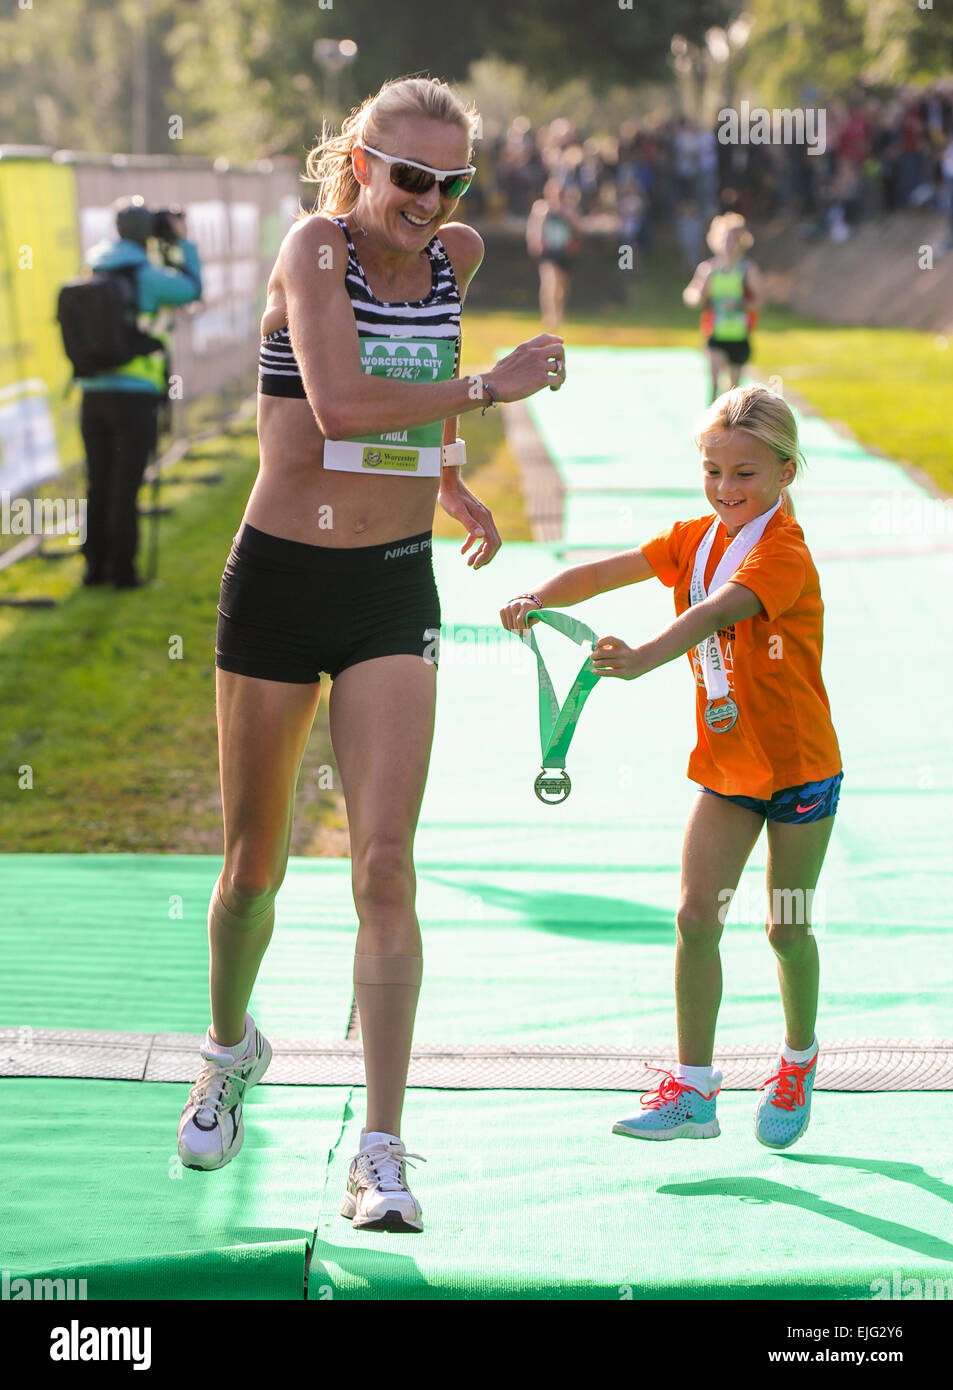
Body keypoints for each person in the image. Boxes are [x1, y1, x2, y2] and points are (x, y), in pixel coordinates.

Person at [176, 76, 565, 1232]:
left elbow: (411, 380)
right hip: (282, 583)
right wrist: (492, 389)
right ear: (358, 160)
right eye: (407, 174)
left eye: (449, 179)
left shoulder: (457, 254)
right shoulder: (313, 246)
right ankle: (227, 1050)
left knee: (384, 863)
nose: (428, 196)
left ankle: (382, 1151)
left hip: (392, 590)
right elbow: (341, 404)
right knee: (255, 865)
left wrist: (449, 478)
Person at [501, 386, 842, 1150]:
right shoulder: (693, 535)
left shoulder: (782, 552)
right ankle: (694, 1090)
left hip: (797, 771)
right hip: (726, 770)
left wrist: (644, 657)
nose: (725, 489)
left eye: (745, 474)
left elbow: (715, 613)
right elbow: (603, 573)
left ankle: (797, 1059)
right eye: (713, 471)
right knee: (695, 917)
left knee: (784, 928)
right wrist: (535, 596)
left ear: (786, 473)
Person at [76, 197, 202, 588]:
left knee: (98, 483)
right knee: (126, 486)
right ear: (147, 232)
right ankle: (123, 574)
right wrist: (182, 244)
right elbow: (191, 289)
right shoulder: (146, 275)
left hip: (92, 393)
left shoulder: (93, 267)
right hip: (134, 396)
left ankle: (93, 570)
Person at [683, 212, 762, 405]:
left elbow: (759, 301)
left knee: (734, 390)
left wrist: (740, 305)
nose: (729, 244)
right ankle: (709, 425)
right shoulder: (708, 269)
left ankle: (729, 425)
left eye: (733, 239)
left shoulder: (747, 269)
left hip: (739, 334)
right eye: (725, 238)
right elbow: (691, 294)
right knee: (714, 382)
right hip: (715, 333)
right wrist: (697, 298)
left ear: (741, 241)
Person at [526, 178, 583, 330]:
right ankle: (549, 316)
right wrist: (535, 242)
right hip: (548, 252)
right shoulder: (541, 208)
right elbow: (534, 228)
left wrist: (567, 214)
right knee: (549, 281)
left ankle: (560, 313)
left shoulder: (569, 209)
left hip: (564, 252)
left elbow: (579, 226)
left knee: (562, 286)